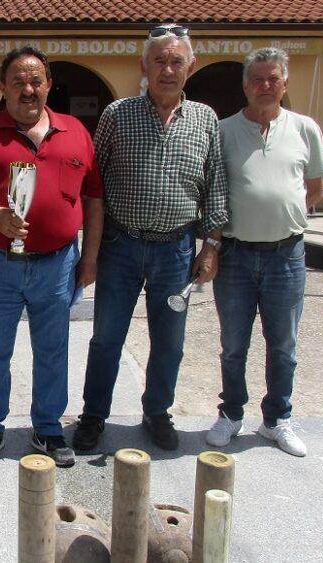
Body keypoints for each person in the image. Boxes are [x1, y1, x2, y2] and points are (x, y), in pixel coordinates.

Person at [0, 46, 104, 468]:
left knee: (53, 349)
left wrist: (90, 258)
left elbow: (93, 197)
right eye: (18, 81)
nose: (28, 89)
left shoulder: (75, 132)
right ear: (2, 86)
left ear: (49, 85)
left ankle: (48, 427)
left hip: (57, 264)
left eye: (36, 80)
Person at [76, 24, 229, 453]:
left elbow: (215, 185)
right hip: (121, 246)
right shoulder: (117, 114)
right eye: (159, 60)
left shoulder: (205, 119)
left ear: (190, 66)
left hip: (176, 250)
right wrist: (90, 251)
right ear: (144, 66)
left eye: (176, 60)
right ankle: (93, 416)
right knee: (106, 337)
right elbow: (95, 185)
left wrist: (211, 246)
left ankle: (157, 412)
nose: (167, 69)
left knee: (170, 342)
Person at [207, 48, 323, 457]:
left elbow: (314, 190)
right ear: (245, 85)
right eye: (257, 79)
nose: (264, 85)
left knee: (283, 345)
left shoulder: (305, 128)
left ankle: (277, 419)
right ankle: (231, 414)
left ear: (285, 82)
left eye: (272, 78)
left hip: (286, 255)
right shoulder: (223, 131)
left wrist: (279, 213)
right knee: (233, 344)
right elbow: (215, 193)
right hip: (237, 255)